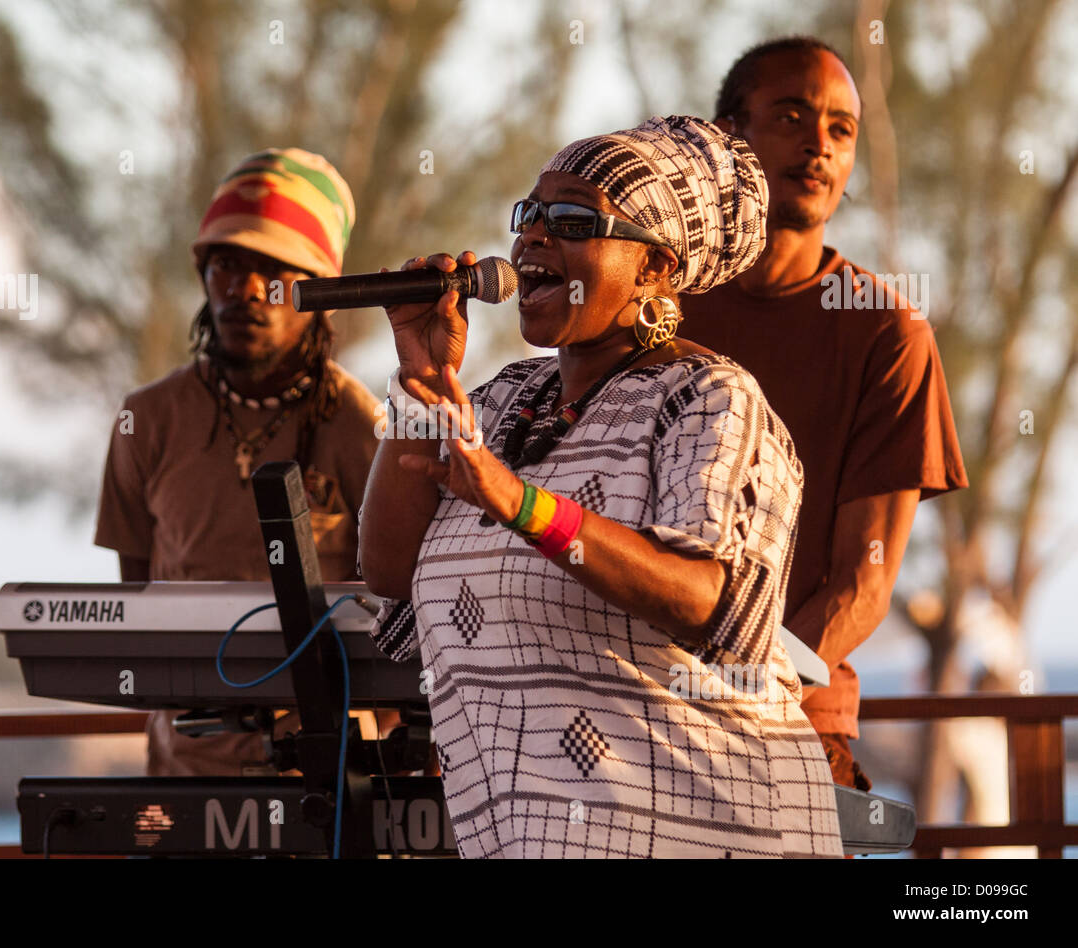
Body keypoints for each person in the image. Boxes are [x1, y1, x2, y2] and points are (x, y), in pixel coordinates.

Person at [360, 116, 842, 858]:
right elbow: (390, 569)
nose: (532, 241)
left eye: (575, 220)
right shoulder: (496, 401)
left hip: (706, 829)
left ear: (655, 268)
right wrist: (424, 380)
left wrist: (519, 503)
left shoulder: (708, 397)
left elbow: (711, 602)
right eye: (531, 215)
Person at [679, 37, 967, 791]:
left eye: (841, 130)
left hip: (790, 721)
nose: (818, 146)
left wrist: (735, 699)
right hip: (631, 714)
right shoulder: (656, 305)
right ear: (730, 137)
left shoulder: (886, 332)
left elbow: (860, 584)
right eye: (791, 116)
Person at [93, 148, 381, 776]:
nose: (246, 291)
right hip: (187, 770)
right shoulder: (145, 419)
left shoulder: (366, 429)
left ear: (318, 293)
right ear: (203, 276)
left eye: (272, 270)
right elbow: (136, 602)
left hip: (334, 782)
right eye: (227, 265)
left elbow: (407, 611)